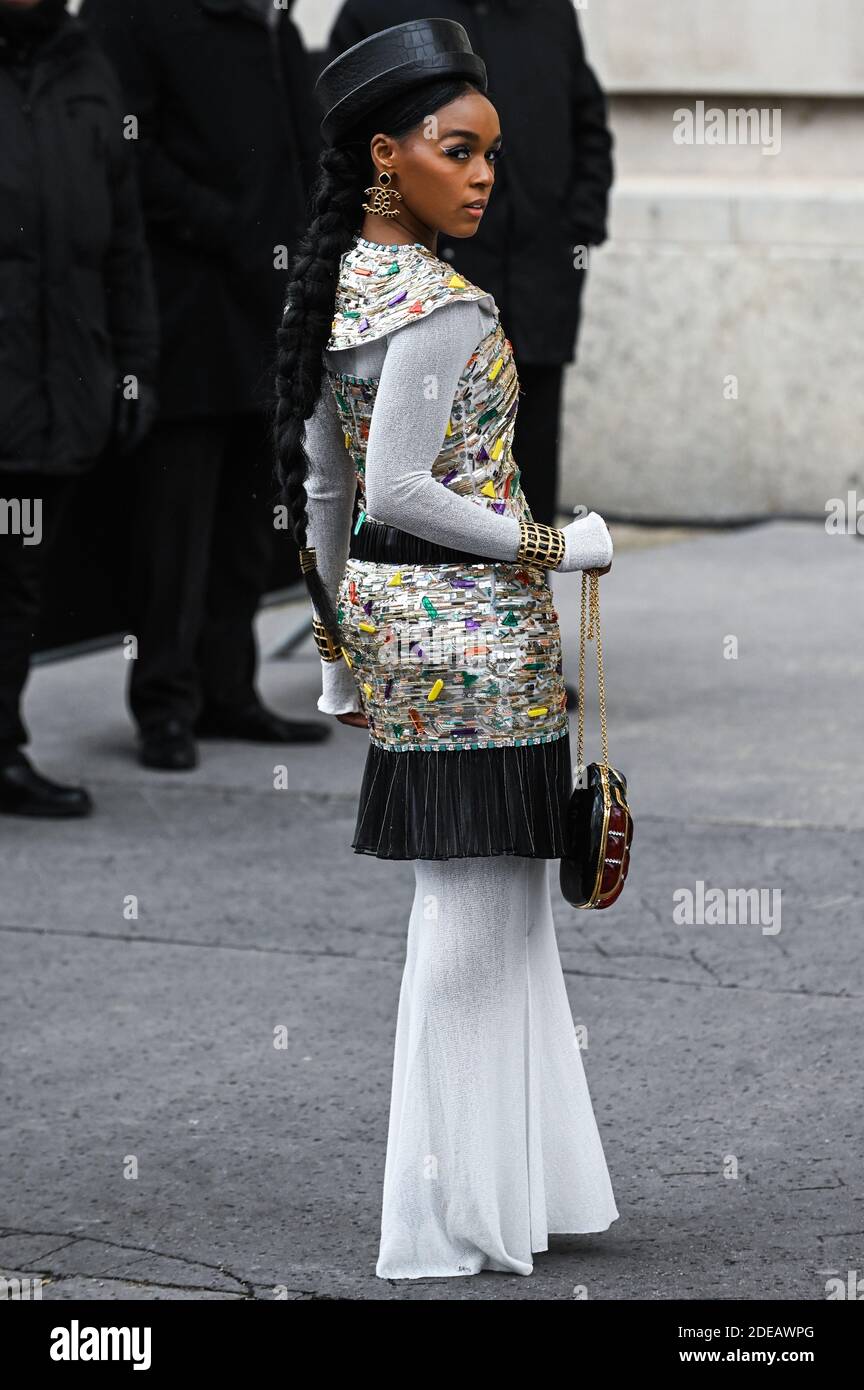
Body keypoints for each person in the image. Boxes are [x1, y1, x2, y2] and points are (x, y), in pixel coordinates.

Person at [274, 19, 619, 1279]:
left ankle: (516, 1193)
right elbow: (402, 490)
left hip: (400, 630)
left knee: (492, 918)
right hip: (470, 636)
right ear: (385, 155)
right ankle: (453, 1215)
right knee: (478, 928)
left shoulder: (335, 287)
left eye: (489, 154)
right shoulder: (436, 303)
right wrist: (556, 542)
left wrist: (334, 655)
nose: (483, 176)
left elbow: (325, 493)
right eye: (455, 151)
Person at [80, 0, 330, 770]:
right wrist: (232, 225)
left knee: (252, 522)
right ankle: (165, 704)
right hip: (185, 315)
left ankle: (230, 691)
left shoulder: (271, 23)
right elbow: (133, 153)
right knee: (173, 529)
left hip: (270, 316)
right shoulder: (131, 17)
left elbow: (307, 151)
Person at [0, 0, 159, 817]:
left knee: (18, 579)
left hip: (56, 386)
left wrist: (134, 366)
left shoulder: (88, 67)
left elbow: (123, 239)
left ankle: (1, 752)